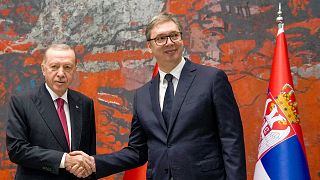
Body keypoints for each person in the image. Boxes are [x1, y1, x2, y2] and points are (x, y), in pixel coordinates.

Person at [72, 12, 246, 179]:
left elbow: (232, 140)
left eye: (174, 35)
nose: (169, 42)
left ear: (181, 39)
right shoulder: (143, 95)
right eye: (161, 38)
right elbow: (137, 151)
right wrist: (95, 162)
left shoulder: (212, 79)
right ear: (149, 46)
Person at [6, 44, 96, 179]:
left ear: (74, 70)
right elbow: (17, 150)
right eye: (54, 67)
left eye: (67, 67)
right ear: (43, 69)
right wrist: (64, 160)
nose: (61, 73)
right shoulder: (22, 102)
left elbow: (89, 155)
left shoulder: (85, 104)